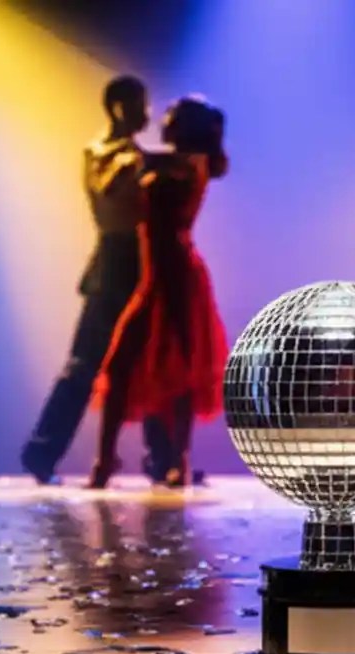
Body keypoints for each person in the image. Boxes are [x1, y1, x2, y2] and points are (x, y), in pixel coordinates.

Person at [20, 75, 174, 486]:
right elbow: (108, 189)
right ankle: (41, 451)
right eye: (140, 104)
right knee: (85, 363)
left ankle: (163, 459)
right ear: (119, 106)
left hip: (138, 259)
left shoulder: (133, 153)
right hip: (114, 264)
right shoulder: (101, 153)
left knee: (148, 361)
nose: (147, 113)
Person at [90, 97, 230, 489]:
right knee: (120, 365)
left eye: (169, 119)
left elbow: (151, 162)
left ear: (184, 127)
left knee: (182, 371)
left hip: (180, 277)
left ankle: (179, 460)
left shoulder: (191, 163)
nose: (163, 124)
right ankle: (106, 459)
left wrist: (125, 145)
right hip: (154, 279)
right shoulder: (171, 161)